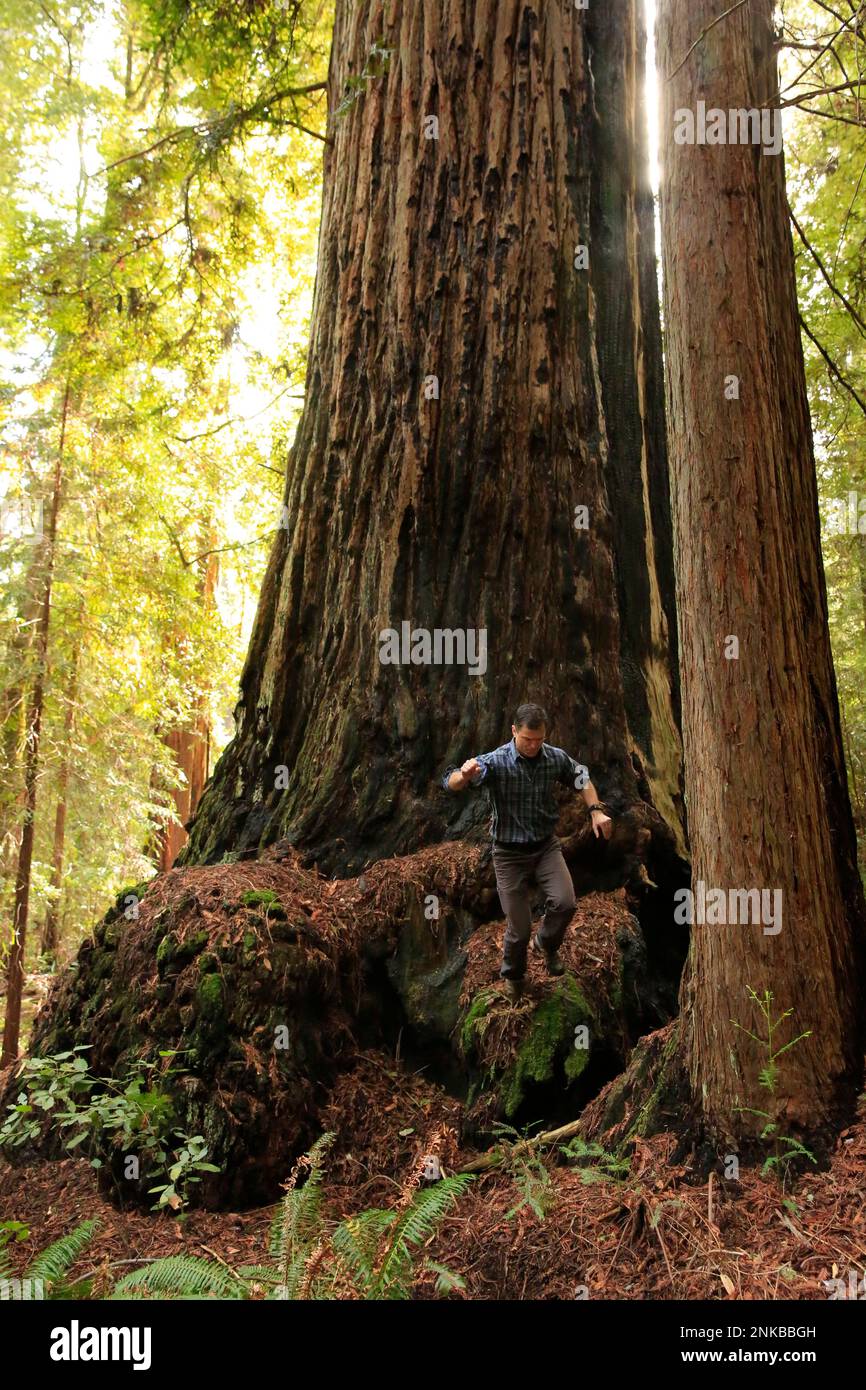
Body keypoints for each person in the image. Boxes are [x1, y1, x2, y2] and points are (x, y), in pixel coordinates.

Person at [442, 702, 613, 1002]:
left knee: (565, 903)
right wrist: (465, 775)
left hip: (545, 846)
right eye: (527, 740)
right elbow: (451, 782)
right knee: (518, 927)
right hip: (508, 853)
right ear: (514, 732)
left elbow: (582, 777)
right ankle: (514, 976)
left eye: (539, 739)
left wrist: (596, 811)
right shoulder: (496, 761)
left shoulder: (554, 758)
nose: (533, 746)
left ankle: (546, 943)